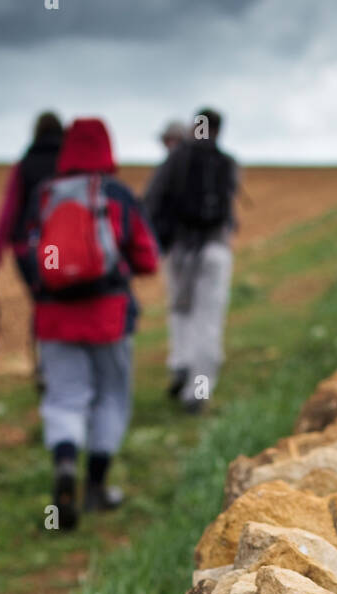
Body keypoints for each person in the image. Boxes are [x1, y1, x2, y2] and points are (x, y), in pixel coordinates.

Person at [27, 117, 159, 530]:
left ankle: (66, 466)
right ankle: (97, 488)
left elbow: (31, 253)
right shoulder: (115, 194)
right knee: (110, 396)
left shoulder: (44, 195)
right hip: (108, 314)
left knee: (64, 398)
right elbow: (147, 258)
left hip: (54, 316)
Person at [144, 108, 238, 413]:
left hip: (181, 251)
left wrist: (159, 241)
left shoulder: (176, 159)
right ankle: (197, 392)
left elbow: (152, 201)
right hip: (215, 248)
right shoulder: (227, 163)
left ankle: (180, 365)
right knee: (208, 323)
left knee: (181, 311)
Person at [0, 112, 64, 288]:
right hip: (62, 246)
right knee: (61, 298)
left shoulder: (24, 165)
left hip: (29, 246)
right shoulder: (69, 165)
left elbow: (9, 211)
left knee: (43, 297)